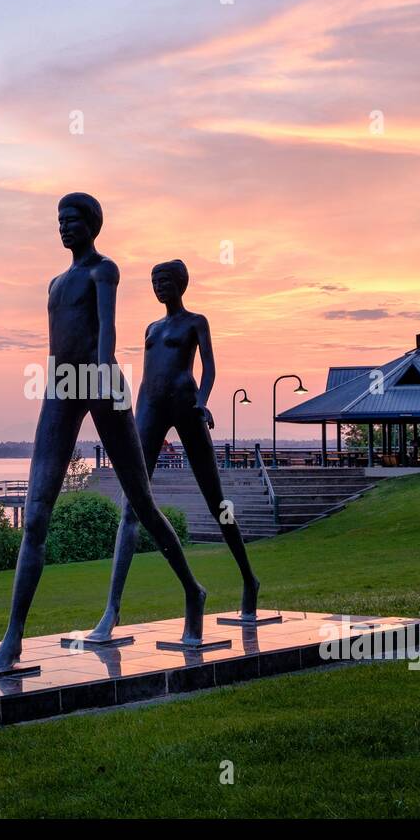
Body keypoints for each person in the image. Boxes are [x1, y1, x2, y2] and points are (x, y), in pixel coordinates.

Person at [0, 193, 208, 671]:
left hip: (102, 384)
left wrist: (104, 378)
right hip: (61, 389)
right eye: (59, 221)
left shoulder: (102, 271)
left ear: (92, 225)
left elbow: (105, 331)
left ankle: (193, 591)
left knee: (142, 505)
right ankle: (13, 640)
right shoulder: (55, 282)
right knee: (37, 511)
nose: (64, 228)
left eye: (72, 220)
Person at [87, 259, 262, 642]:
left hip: (186, 405)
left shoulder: (196, 322)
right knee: (131, 506)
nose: (159, 287)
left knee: (217, 501)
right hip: (148, 409)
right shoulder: (151, 328)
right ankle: (111, 611)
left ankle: (249, 579)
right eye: (154, 281)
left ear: (181, 284)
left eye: (165, 280)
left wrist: (203, 400)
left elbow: (209, 368)